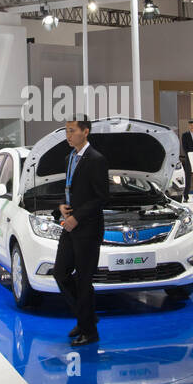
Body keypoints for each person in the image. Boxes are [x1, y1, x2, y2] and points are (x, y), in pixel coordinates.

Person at [52, 119, 110, 346]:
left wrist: (77, 217)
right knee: (60, 273)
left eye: (72, 131)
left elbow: (101, 197)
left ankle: (90, 331)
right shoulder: (69, 158)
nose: (68, 135)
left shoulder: (96, 160)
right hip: (70, 225)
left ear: (85, 132)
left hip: (87, 227)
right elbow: (67, 189)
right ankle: (86, 318)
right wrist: (61, 208)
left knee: (84, 280)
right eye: (66, 131)